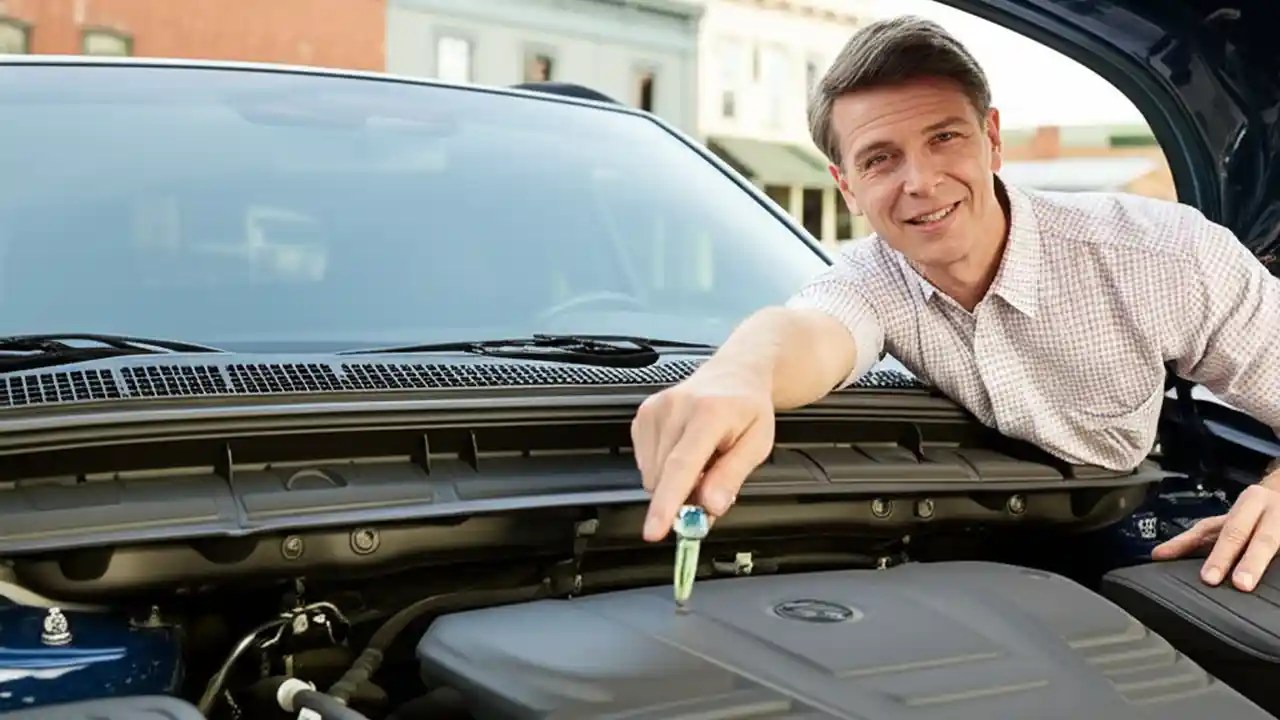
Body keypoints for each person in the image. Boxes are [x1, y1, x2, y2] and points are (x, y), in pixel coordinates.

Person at [631, 15, 1280, 591]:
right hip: (972, 547)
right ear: (847, 186)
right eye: (881, 159)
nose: (920, 182)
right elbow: (807, 329)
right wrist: (737, 375)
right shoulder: (871, 278)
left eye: (945, 139)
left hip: (1129, 522)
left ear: (991, 139)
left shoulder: (1163, 257)